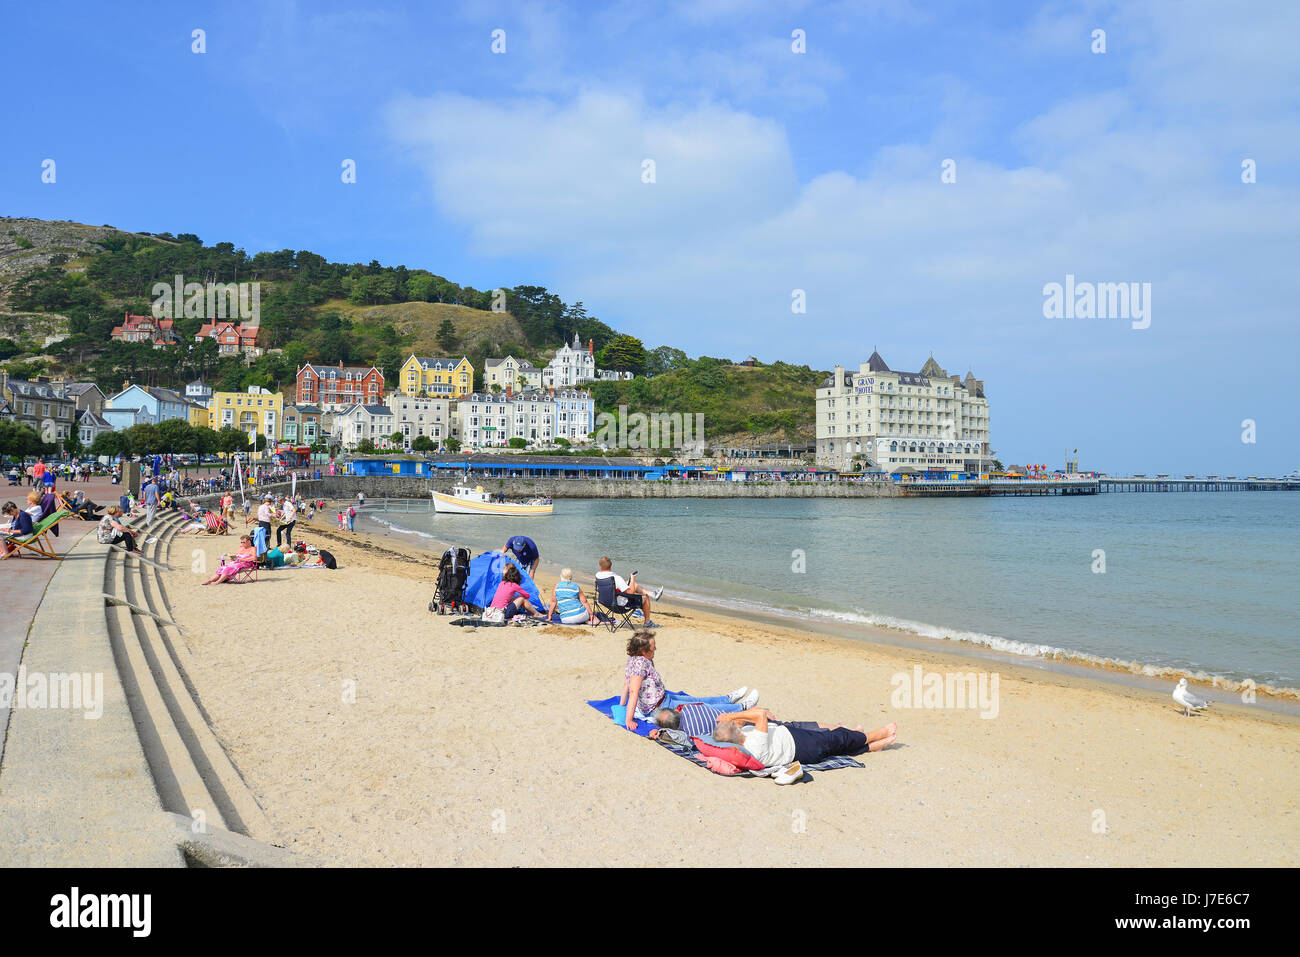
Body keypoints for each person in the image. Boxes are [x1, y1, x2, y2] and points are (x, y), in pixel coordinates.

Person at [619, 631, 755, 732]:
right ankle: (741, 708)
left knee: (696, 699)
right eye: (653, 646)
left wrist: (621, 706)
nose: (655, 648)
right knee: (701, 708)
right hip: (661, 706)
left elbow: (626, 685)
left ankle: (728, 699)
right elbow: (632, 690)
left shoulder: (635, 659)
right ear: (643, 650)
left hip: (664, 697)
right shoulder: (639, 665)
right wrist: (628, 719)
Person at [711, 708, 898, 768]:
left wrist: (734, 718)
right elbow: (760, 714)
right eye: (731, 724)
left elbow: (745, 720)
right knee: (838, 738)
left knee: (835, 746)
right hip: (801, 747)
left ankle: (871, 747)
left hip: (794, 739)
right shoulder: (753, 744)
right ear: (733, 731)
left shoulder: (744, 736)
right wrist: (730, 716)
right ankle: (877, 734)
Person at [594, 557, 663, 627]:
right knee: (645, 598)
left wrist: (629, 583)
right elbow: (631, 593)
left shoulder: (598, 575)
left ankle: (653, 594)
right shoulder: (616, 578)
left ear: (600, 567)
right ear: (611, 565)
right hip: (619, 606)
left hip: (605, 602)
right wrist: (632, 579)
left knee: (630, 584)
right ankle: (648, 623)